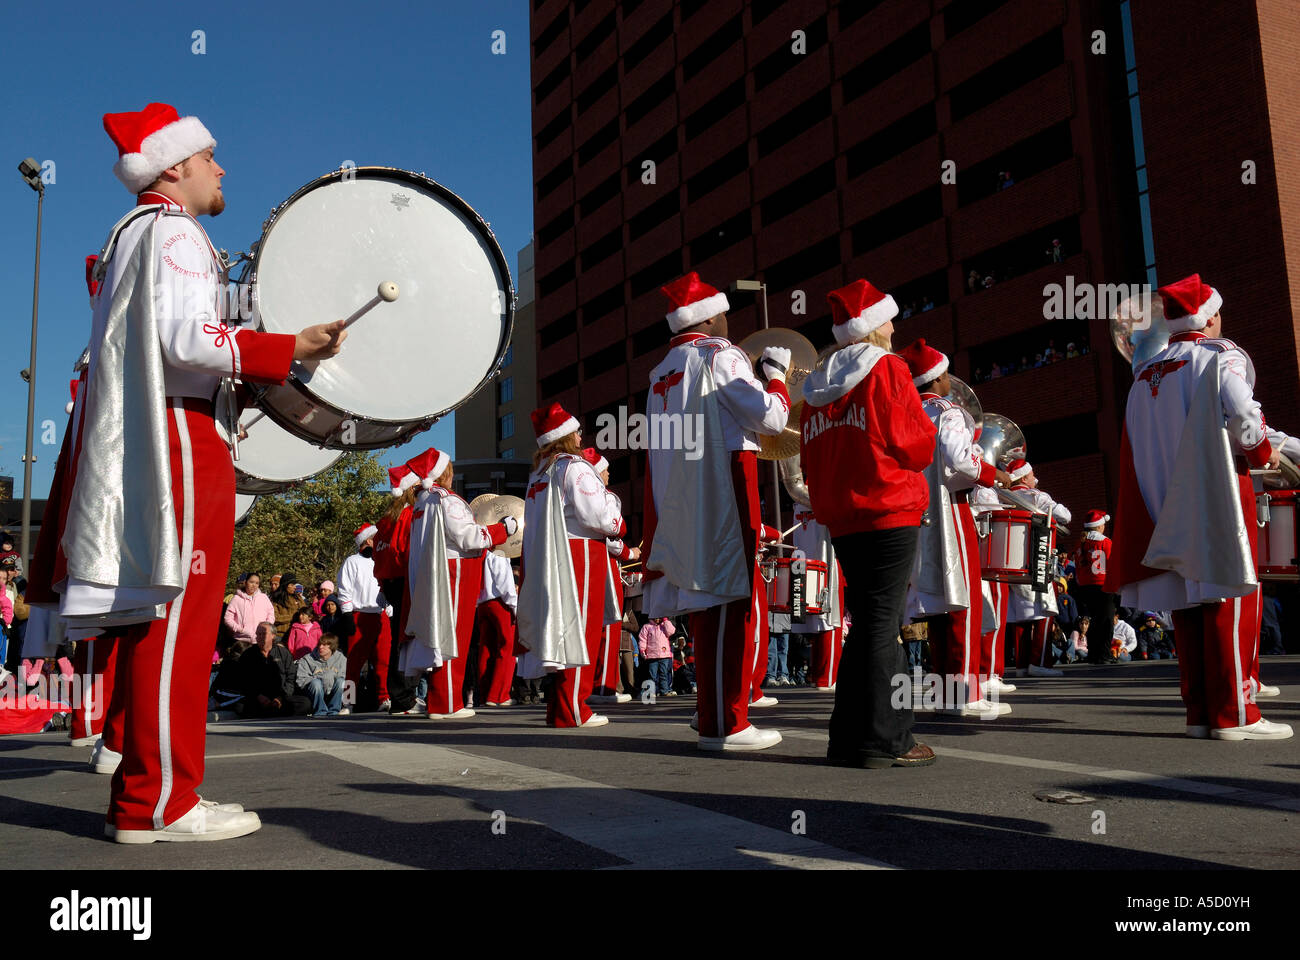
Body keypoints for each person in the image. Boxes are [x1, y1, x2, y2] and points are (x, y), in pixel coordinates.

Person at [24, 102, 347, 844]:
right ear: (174, 167)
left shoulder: (130, 234)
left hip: (157, 434)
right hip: (179, 436)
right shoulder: (173, 230)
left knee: (155, 620)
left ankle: (146, 792)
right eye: (210, 156)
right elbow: (184, 339)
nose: (221, 167)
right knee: (177, 622)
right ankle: (161, 801)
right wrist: (286, 345)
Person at [1108, 273, 1291, 741]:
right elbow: (1246, 417)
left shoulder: (1145, 370)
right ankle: (1237, 713)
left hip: (1158, 501)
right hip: (1216, 490)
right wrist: (1266, 457)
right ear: (1209, 316)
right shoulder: (1217, 354)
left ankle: (1201, 712)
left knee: (1185, 602)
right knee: (1229, 594)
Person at [639, 273, 791, 751]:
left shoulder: (662, 370)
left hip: (676, 496)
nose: (730, 319)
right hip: (721, 482)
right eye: (724, 311)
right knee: (728, 602)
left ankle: (711, 714)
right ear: (709, 315)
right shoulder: (719, 354)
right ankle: (726, 723)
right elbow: (770, 417)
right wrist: (777, 378)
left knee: (704, 608)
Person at [800, 278, 938, 767]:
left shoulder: (816, 382)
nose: (895, 328)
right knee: (882, 627)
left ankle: (850, 737)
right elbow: (914, 444)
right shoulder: (887, 368)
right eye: (889, 319)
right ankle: (885, 740)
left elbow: (807, 455)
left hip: (842, 515)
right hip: (888, 507)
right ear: (874, 325)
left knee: (867, 626)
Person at [898, 337, 1013, 717]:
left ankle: (944, 691)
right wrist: (994, 475)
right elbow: (962, 462)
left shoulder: (905, 410)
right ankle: (966, 691)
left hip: (916, 512)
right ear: (938, 378)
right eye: (947, 374)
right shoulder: (948, 411)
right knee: (964, 602)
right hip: (952, 511)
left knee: (936, 605)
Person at [517, 405, 624, 728]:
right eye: (576, 431)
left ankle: (560, 707)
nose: (581, 436)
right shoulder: (574, 467)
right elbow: (599, 516)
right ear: (564, 436)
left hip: (549, 557)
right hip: (579, 554)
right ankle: (574, 708)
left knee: (561, 633)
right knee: (581, 631)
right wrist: (617, 513)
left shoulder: (540, 471)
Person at [402, 447, 513, 719]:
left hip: (437, 572)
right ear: (444, 472)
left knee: (440, 637)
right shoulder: (445, 499)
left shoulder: (422, 500)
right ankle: (447, 703)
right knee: (454, 637)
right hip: (454, 573)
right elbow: (468, 537)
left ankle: (442, 700)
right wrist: (503, 529)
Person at [1002, 459, 1072, 677]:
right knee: (1044, 612)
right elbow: (1066, 516)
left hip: (1010, 564)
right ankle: (1041, 663)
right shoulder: (1038, 497)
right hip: (1037, 559)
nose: (1036, 479)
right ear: (1024, 477)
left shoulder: (999, 496)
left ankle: (1022, 665)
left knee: (1021, 616)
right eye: (1032, 475)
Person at [581, 447, 638, 705]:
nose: (608, 474)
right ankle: (603, 687)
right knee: (609, 626)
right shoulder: (605, 497)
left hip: (589, 562)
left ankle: (594, 686)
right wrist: (631, 554)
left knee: (593, 627)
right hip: (604, 565)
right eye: (604, 470)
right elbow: (611, 538)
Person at [788, 505, 847, 692]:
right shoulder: (822, 493)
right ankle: (827, 678)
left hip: (806, 561)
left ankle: (817, 675)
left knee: (816, 624)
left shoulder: (800, 501)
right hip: (826, 561)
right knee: (830, 622)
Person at [336, 524, 394, 712]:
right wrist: (346, 614)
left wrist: (390, 607)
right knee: (354, 663)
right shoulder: (352, 561)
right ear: (368, 540)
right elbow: (345, 589)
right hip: (359, 616)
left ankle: (383, 698)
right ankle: (348, 701)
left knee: (383, 661)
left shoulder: (382, 559)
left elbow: (389, 584)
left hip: (380, 615)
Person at [475, 548, 518, 707]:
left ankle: (485, 693)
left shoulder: (480, 549)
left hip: (482, 603)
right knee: (508, 648)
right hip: (500, 603)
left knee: (486, 650)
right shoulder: (498, 550)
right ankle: (499, 695)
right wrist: (514, 605)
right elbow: (504, 580)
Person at [238, 622, 309, 717]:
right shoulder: (248, 654)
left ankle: (273, 713)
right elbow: (243, 680)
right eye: (258, 634)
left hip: (280, 697)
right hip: (258, 698)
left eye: (264, 634)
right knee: (243, 706)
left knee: (305, 703)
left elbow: (291, 678)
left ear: (273, 636)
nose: (260, 637)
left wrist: (281, 697)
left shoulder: (283, 653)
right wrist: (258, 696)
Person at [1072, 510, 1115, 663]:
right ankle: (1104, 654)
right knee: (1106, 622)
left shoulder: (1081, 542)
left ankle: (1094, 654)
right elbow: (1113, 564)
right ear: (1098, 526)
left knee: (1094, 621)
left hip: (1085, 586)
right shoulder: (1105, 542)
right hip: (1103, 585)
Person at [296, 633, 348, 717]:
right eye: (319, 644)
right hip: (314, 693)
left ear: (332, 646)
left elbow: (345, 676)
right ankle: (321, 711)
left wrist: (329, 678)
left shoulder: (341, 658)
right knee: (316, 683)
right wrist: (319, 678)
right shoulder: (307, 659)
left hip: (333, 692)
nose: (320, 647)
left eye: (324, 645)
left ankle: (334, 710)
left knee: (341, 681)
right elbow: (300, 680)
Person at [223, 572, 275, 645]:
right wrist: (240, 630)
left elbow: (271, 613)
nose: (254, 585)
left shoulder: (264, 597)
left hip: (260, 639)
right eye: (251, 582)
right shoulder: (236, 599)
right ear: (245, 582)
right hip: (241, 640)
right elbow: (227, 618)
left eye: (257, 583)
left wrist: (266, 627)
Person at [638, 616, 676, 697]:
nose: (657, 619)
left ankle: (664, 691)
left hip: (664, 654)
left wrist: (665, 620)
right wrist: (642, 650)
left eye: (659, 617)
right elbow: (643, 639)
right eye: (655, 617)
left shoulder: (664, 625)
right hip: (652, 655)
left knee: (664, 673)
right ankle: (651, 692)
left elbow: (671, 631)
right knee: (652, 674)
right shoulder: (647, 627)